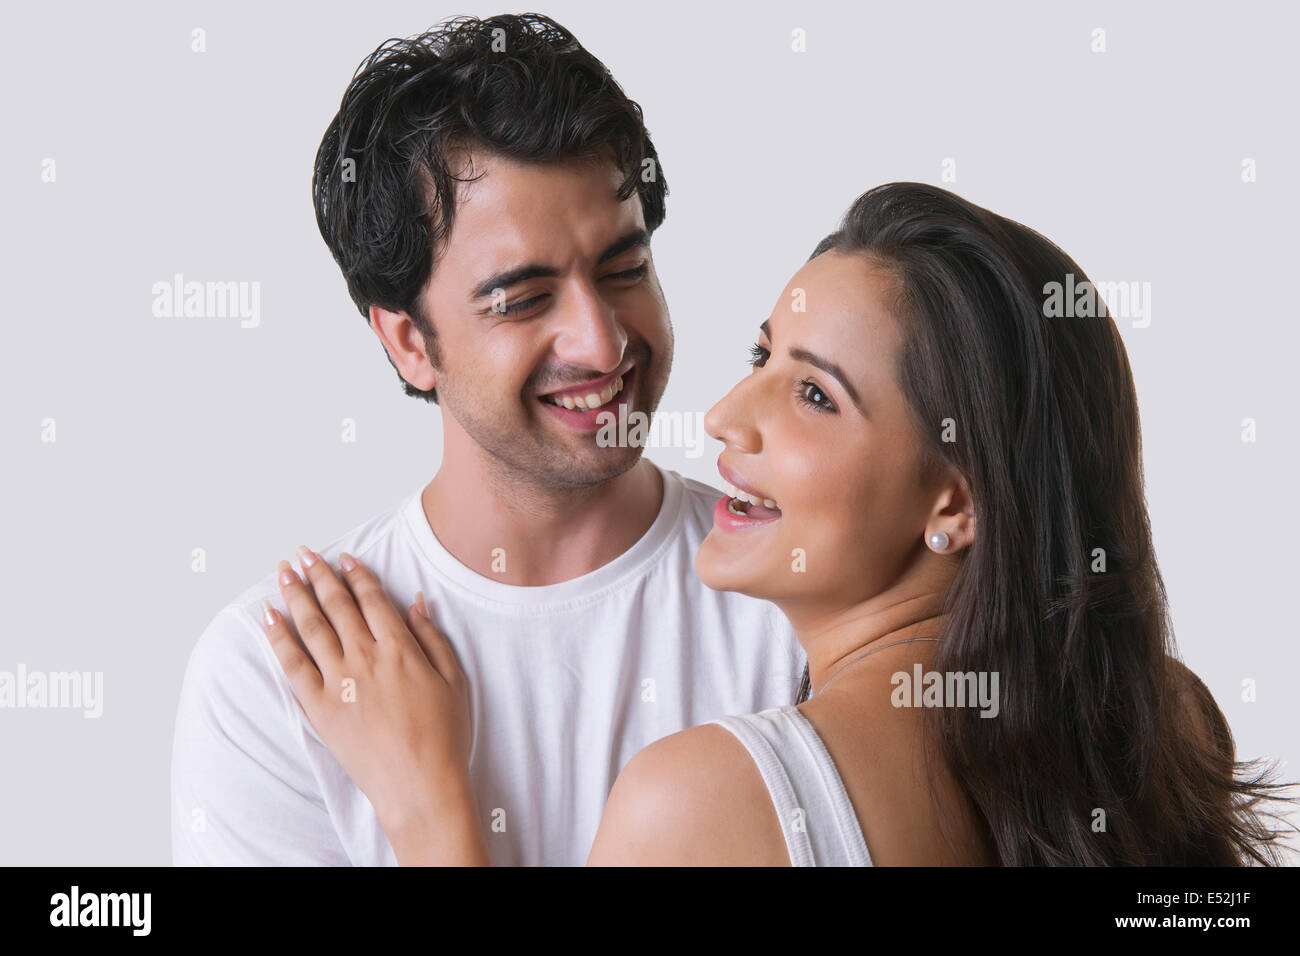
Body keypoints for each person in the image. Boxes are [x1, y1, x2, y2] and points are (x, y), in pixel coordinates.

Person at [262, 182, 1297, 866]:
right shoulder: (1160, 720)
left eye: (814, 396)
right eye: (762, 357)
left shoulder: (709, 801)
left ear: (955, 499)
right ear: (406, 340)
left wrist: (434, 811)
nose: (721, 417)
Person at [169, 13, 805, 866]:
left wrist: (430, 813)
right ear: (406, 342)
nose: (602, 341)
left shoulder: (799, 604)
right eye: (522, 299)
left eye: (624, 268)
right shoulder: (274, 679)